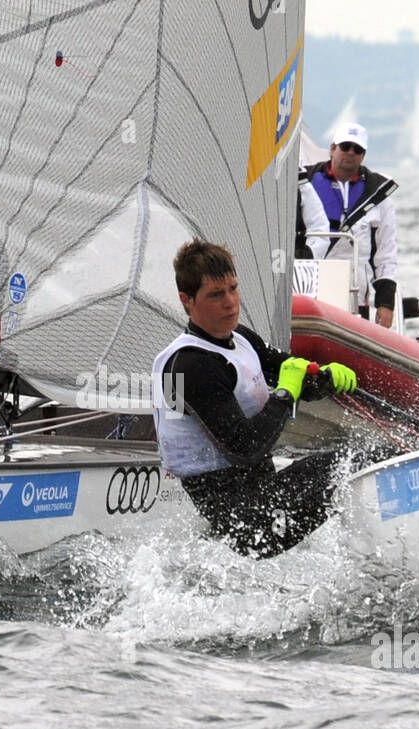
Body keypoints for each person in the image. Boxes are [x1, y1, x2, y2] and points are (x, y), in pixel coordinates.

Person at [151, 239, 358, 559]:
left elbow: (288, 372)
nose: (231, 303)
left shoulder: (240, 338)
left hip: (264, 495)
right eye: (216, 295)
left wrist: (325, 379)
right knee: (350, 466)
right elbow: (245, 448)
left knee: (359, 459)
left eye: (233, 289)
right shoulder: (191, 364)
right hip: (243, 525)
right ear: (187, 300)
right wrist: (287, 392)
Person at [296, 122, 400, 328]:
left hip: (355, 293)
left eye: (357, 149)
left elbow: (386, 252)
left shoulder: (379, 196)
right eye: (345, 146)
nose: (350, 153)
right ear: (333, 148)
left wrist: (386, 302)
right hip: (308, 285)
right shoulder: (304, 183)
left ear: (363, 155)